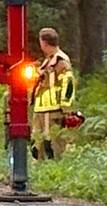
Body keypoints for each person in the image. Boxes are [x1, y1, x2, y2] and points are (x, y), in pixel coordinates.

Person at [31, 26, 77, 160]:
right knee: (38, 141)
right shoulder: (47, 61)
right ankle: (41, 169)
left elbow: (68, 84)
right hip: (42, 109)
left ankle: (56, 170)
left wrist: (66, 107)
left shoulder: (61, 61)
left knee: (54, 142)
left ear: (43, 43)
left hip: (54, 110)